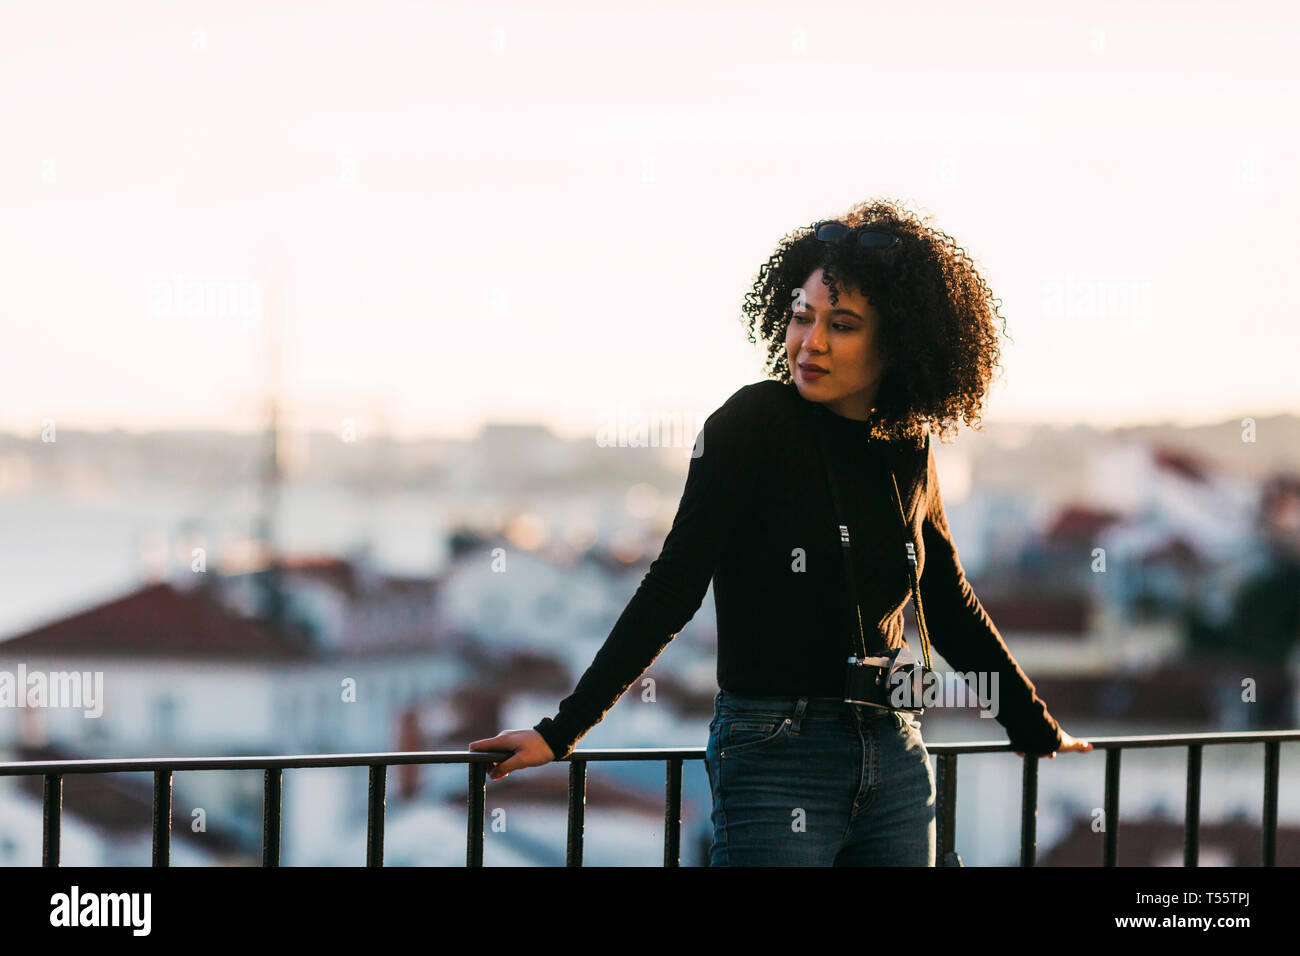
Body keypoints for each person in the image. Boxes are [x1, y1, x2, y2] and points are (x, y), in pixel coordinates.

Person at [470, 198, 1092, 865]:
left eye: (843, 325)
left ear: (897, 344)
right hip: (773, 750)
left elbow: (947, 598)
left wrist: (1032, 722)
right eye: (802, 316)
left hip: (894, 749)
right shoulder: (750, 425)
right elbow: (673, 587)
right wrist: (562, 731)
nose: (811, 341)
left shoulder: (906, 446)